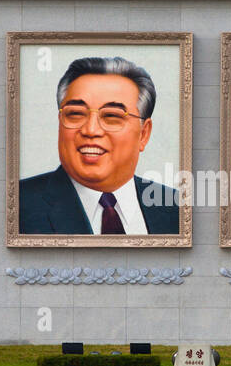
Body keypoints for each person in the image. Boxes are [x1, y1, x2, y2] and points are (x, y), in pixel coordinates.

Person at [19, 56, 181, 235]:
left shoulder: (178, 208)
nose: (91, 130)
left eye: (112, 116)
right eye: (76, 114)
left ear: (143, 134)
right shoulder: (16, 205)